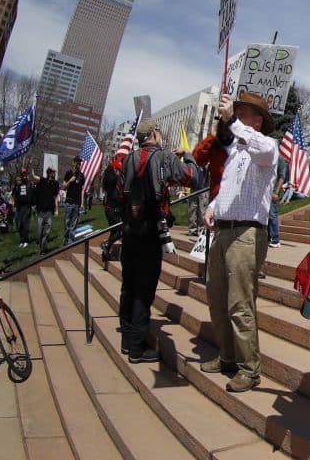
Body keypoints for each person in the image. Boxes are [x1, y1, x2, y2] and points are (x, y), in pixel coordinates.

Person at [200, 93, 277, 392]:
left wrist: (232, 120)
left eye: (242, 112)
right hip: (223, 230)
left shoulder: (268, 146)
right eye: (235, 111)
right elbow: (227, 188)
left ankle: (249, 368)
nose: (233, 114)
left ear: (257, 120)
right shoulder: (234, 152)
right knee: (216, 297)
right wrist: (213, 206)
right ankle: (227, 356)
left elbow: (260, 148)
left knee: (240, 302)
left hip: (247, 234)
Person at [119, 120, 201, 363]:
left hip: (129, 229)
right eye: (160, 132)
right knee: (144, 289)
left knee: (129, 286)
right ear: (154, 134)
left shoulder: (129, 159)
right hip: (151, 229)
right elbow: (193, 177)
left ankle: (126, 338)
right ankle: (137, 348)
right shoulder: (164, 157)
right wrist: (188, 155)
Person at [101, 155, 125, 262]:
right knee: (120, 231)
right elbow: (116, 197)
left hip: (109, 209)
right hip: (112, 209)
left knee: (114, 230)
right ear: (114, 169)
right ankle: (107, 244)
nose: (119, 173)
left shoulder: (109, 179)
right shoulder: (112, 180)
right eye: (118, 170)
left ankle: (105, 253)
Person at [35, 167, 59, 254]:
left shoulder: (55, 184)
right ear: (49, 173)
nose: (54, 174)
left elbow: (56, 197)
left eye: (54, 172)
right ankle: (40, 245)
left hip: (49, 210)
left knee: (47, 230)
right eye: (53, 172)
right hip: (41, 210)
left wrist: (56, 209)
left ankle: (43, 249)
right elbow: (34, 177)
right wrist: (31, 169)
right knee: (39, 230)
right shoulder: (42, 181)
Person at [62, 156, 85, 244]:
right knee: (67, 222)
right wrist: (70, 181)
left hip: (77, 203)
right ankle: (66, 239)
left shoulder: (82, 175)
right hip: (69, 202)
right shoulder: (69, 173)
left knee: (74, 224)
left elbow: (82, 190)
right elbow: (64, 187)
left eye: (79, 163)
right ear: (73, 163)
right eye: (77, 162)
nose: (78, 164)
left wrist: (82, 203)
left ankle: (71, 241)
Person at [12, 167, 35, 248]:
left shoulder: (29, 184)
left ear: (26, 174)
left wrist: (33, 205)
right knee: (19, 223)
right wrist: (14, 205)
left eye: (25, 174)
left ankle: (26, 240)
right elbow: (14, 195)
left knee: (25, 223)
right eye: (22, 174)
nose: (24, 175)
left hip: (27, 206)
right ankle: (21, 240)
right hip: (19, 207)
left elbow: (33, 195)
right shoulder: (18, 184)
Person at [268, 155, 287, 247]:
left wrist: (276, 192)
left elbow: (282, 177)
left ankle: (276, 240)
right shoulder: (266, 156)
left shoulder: (280, 159)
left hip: (273, 193)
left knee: (272, 216)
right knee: (265, 217)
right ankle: (268, 238)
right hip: (263, 193)